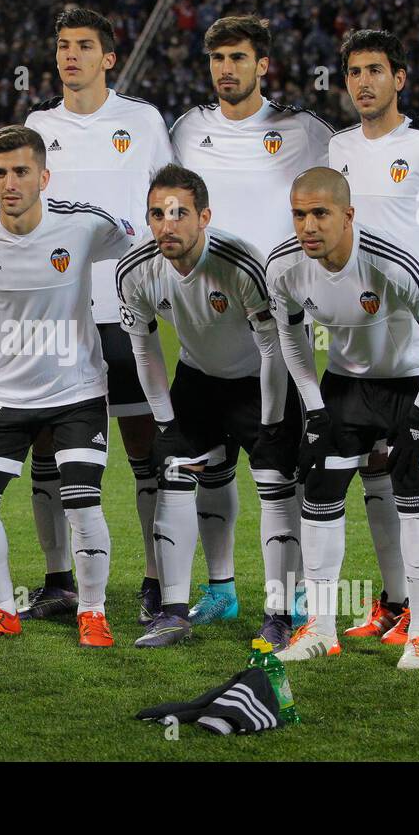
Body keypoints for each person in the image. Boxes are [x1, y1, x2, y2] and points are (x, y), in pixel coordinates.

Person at [169, 14, 333, 633]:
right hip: (203, 335)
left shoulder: (304, 130)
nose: (226, 70)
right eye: (217, 59)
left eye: (238, 58)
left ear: (262, 65)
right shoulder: (185, 130)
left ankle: (285, 601)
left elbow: (350, 190)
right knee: (209, 472)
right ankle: (220, 589)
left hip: (278, 335)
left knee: (276, 476)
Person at [266, 167, 419, 670]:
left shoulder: (392, 262)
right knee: (319, 494)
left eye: (320, 214)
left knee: (415, 501)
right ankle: (322, 629)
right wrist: (312, 404)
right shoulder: (283, 267)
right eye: (299, 214)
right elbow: (291, 337)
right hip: (346, 387)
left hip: (411, 382)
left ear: (348, 215)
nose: (307, 226)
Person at [0, 125, 133, 646]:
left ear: (43, 176)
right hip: (7, 391)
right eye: (0, 172)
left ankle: (93, 612)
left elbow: (136, 239)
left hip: (77, 388)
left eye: (21, 172)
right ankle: (1, 609)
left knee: (81, 501)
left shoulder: (83, 225)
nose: (10, 183)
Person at [22, 7, 174, 623]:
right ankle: (59, 581)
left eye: (84, 46)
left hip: (126, 309)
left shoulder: (141, 121)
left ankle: (156, 579)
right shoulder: (37, 124)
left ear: (108, 58)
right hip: (57, 314)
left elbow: (166, 200)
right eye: (62, 45)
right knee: (48, 444)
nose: (71, 56)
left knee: (144, 445)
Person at [328, 29, 419, 643]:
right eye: (354, 72)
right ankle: (392, 602)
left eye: (375, 70)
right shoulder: (334, 149)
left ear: (400, 77)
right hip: (354, 352)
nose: (363, 82)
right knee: (373, 474)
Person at [116, 164, 300, 649]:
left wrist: (272, 421)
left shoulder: (241, 263)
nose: (166, 224)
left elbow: (273, 348)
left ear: (204, 217)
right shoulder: (135, 271)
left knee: (276, 490)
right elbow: (145, 350)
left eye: (178, 213)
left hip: (261, 383)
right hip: (197, 381)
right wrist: (166, 423)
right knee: (174, 477)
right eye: (156, 214)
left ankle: (284, 610)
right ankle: (179, 611)